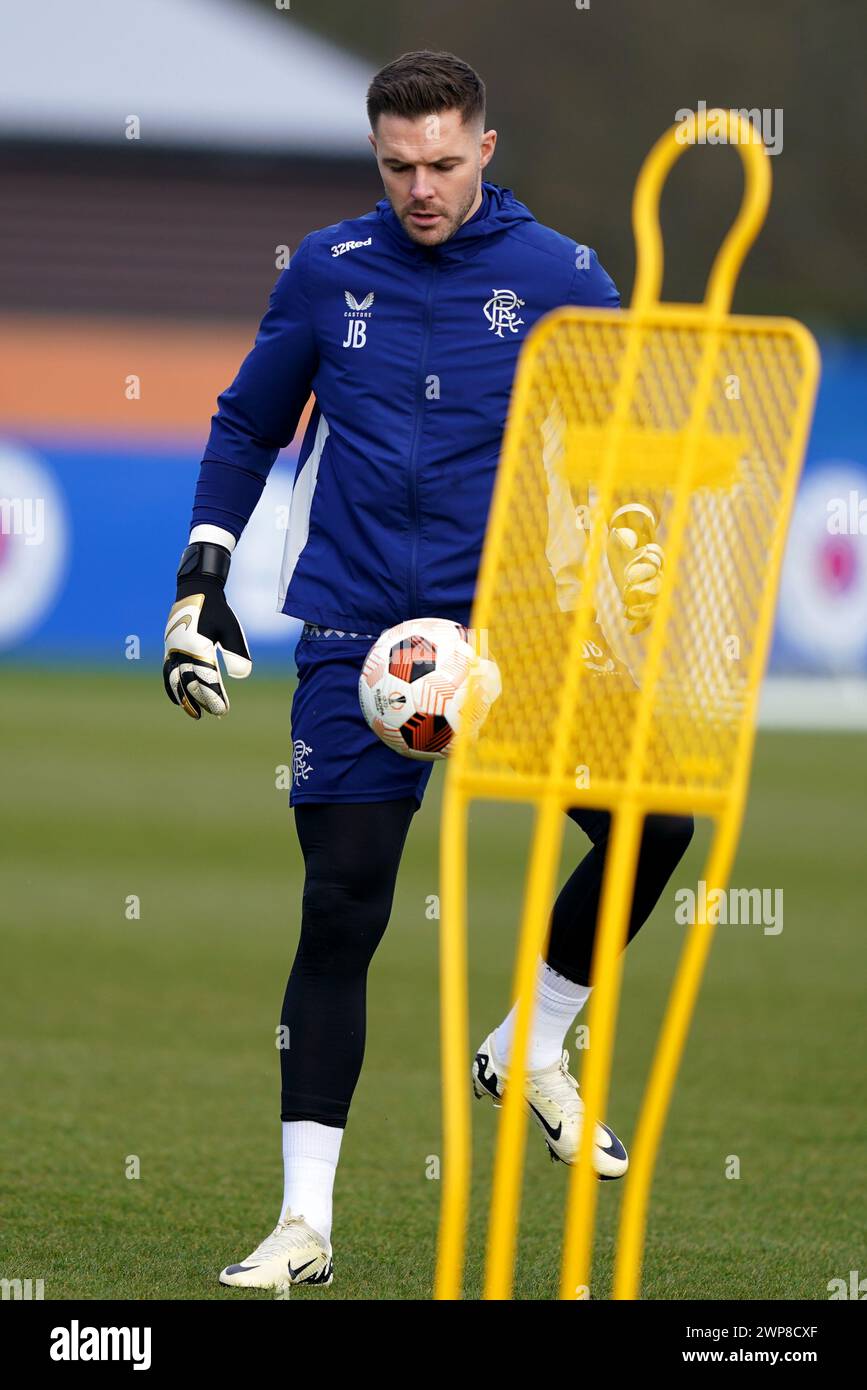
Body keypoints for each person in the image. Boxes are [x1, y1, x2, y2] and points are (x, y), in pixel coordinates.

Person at [163, 49, 693, 1292]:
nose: (422, 187)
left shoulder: (561, 275)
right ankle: (305, 1224)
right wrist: (202, 578)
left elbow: (641, 438)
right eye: (399, 164)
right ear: (376, 156)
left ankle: (533, 1046)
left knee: (655, 820)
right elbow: (249, 422)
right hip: (359, 634)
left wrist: (632, 547)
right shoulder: (325, 269)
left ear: (486, 150)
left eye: (445, 162)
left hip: (518, 626)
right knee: (343, 906)